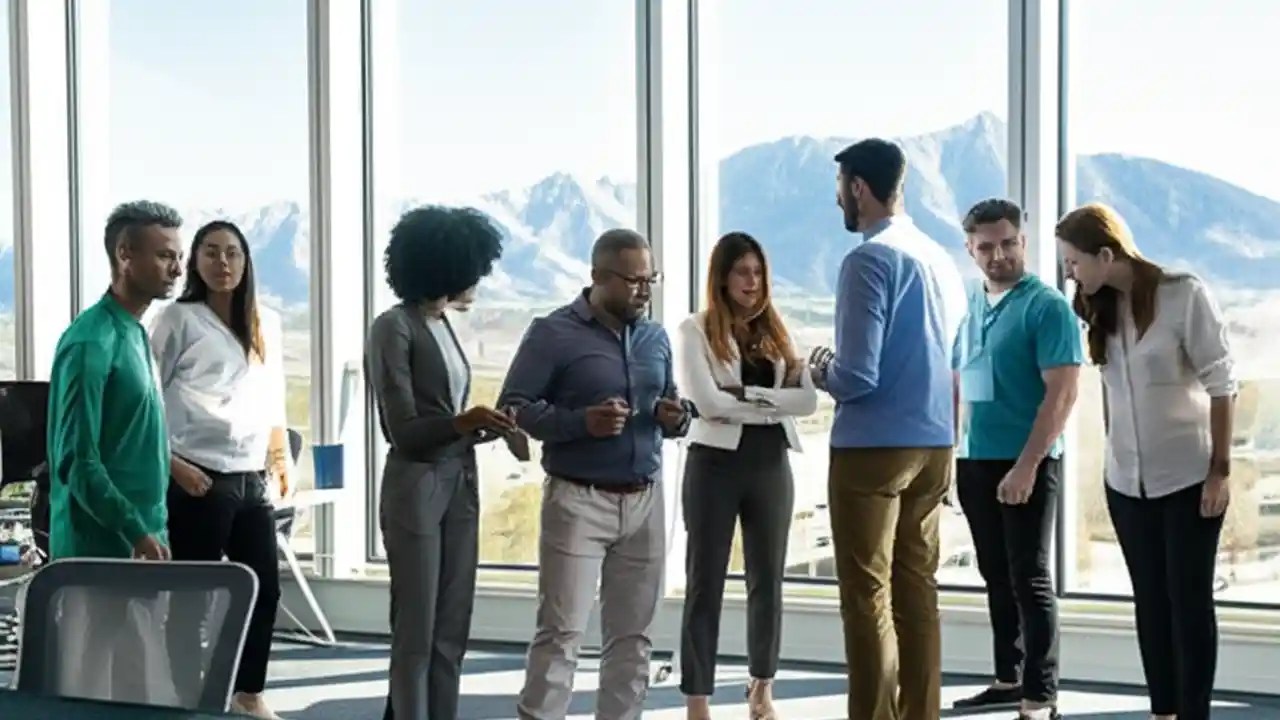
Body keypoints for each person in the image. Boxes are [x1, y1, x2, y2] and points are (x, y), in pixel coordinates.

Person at [500, 229, 692, 720]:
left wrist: (677, 417)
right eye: (634, 281)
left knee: (633, 641)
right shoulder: (552, 333)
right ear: (598, 278)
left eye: (651, 280)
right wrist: (579, 422)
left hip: (646, 501)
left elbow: (668, 405)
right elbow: (514, 409)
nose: (645, 291)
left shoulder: (656, 337)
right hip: (578, 501)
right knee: (561, 635)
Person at [1057, 202, 1233, 720]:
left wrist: (1219, 470)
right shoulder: (1095, 305)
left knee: (1189, 604)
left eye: (1073, 262)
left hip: (1188, 479)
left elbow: (1223, 385)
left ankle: (1193, 712)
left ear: (1105, 254)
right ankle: (1163, 711)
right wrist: (1115, 449)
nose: (1069, 272)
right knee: (1151, 603)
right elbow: (1113, 386)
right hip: (1127, 485)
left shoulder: (1183, 294)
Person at [809, 138, 965, 720]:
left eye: (841, 191)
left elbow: (857, 376)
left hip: (872, 452)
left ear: (857, 188)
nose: (839, 204)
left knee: (866, 595)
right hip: (935, 443)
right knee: (918, 589)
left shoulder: (867, 260)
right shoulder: (938, 257)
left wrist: (820, 369)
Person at [366, 206, 518, 720]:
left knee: (452, 630)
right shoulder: (393, 328)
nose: (477, 281)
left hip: (456, 483)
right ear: (448, 266)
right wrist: (460, 423)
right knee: (416, 633)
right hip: (416, 489)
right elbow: (402, 430)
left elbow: (445, 415)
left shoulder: (442, 325)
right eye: (473, 269)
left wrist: (481, 426)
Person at [149, 220, 290, 719]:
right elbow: (147, 400)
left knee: (263, 589)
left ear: (247, 261)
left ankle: (247, 692)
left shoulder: (265, 320)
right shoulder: (176, 319)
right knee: (193, 600)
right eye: (211, 252)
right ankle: (190, 696)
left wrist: (280, 457)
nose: (222, 263)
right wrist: (172, 465)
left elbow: (272, 393)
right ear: (195, 261)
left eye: (232, 252)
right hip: (197, 476)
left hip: (252, 477)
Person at [45, 200, 183, 703]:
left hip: (143, 545)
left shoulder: (137, 334)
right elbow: (77, 463)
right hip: (99, 550)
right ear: (125, 255)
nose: (177, 266)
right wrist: (135, 529)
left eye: (178, 255)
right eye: (165, 255)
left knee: (140, 690)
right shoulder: (90, 341)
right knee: (90, 690)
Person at [675, 231, 817, 720]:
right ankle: (697, 698)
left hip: (770, 463)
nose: (751, 282)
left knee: (768, 582)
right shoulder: (694, 330)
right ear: (722, 276)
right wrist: (771, 406)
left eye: (758, 272)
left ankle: (762, 688)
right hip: (713, 466)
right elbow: (707, 403)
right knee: (704, 581)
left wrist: (748, 401)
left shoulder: (777, 331)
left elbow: (808, 400)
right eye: (742, 271)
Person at [950, 199, 1081, 720]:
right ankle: (1008, 677)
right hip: (974, 460)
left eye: (1008, 243)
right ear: (971, 249)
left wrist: (1027, 465)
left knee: (1029, 576)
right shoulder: (975, 304)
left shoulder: (1047, 307)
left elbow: (1063, 396)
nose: (998, 254)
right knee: (995, 574)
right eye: (986, 246)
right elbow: (961, 386)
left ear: (1023, 242)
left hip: (1027, 461)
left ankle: (1040, 694)